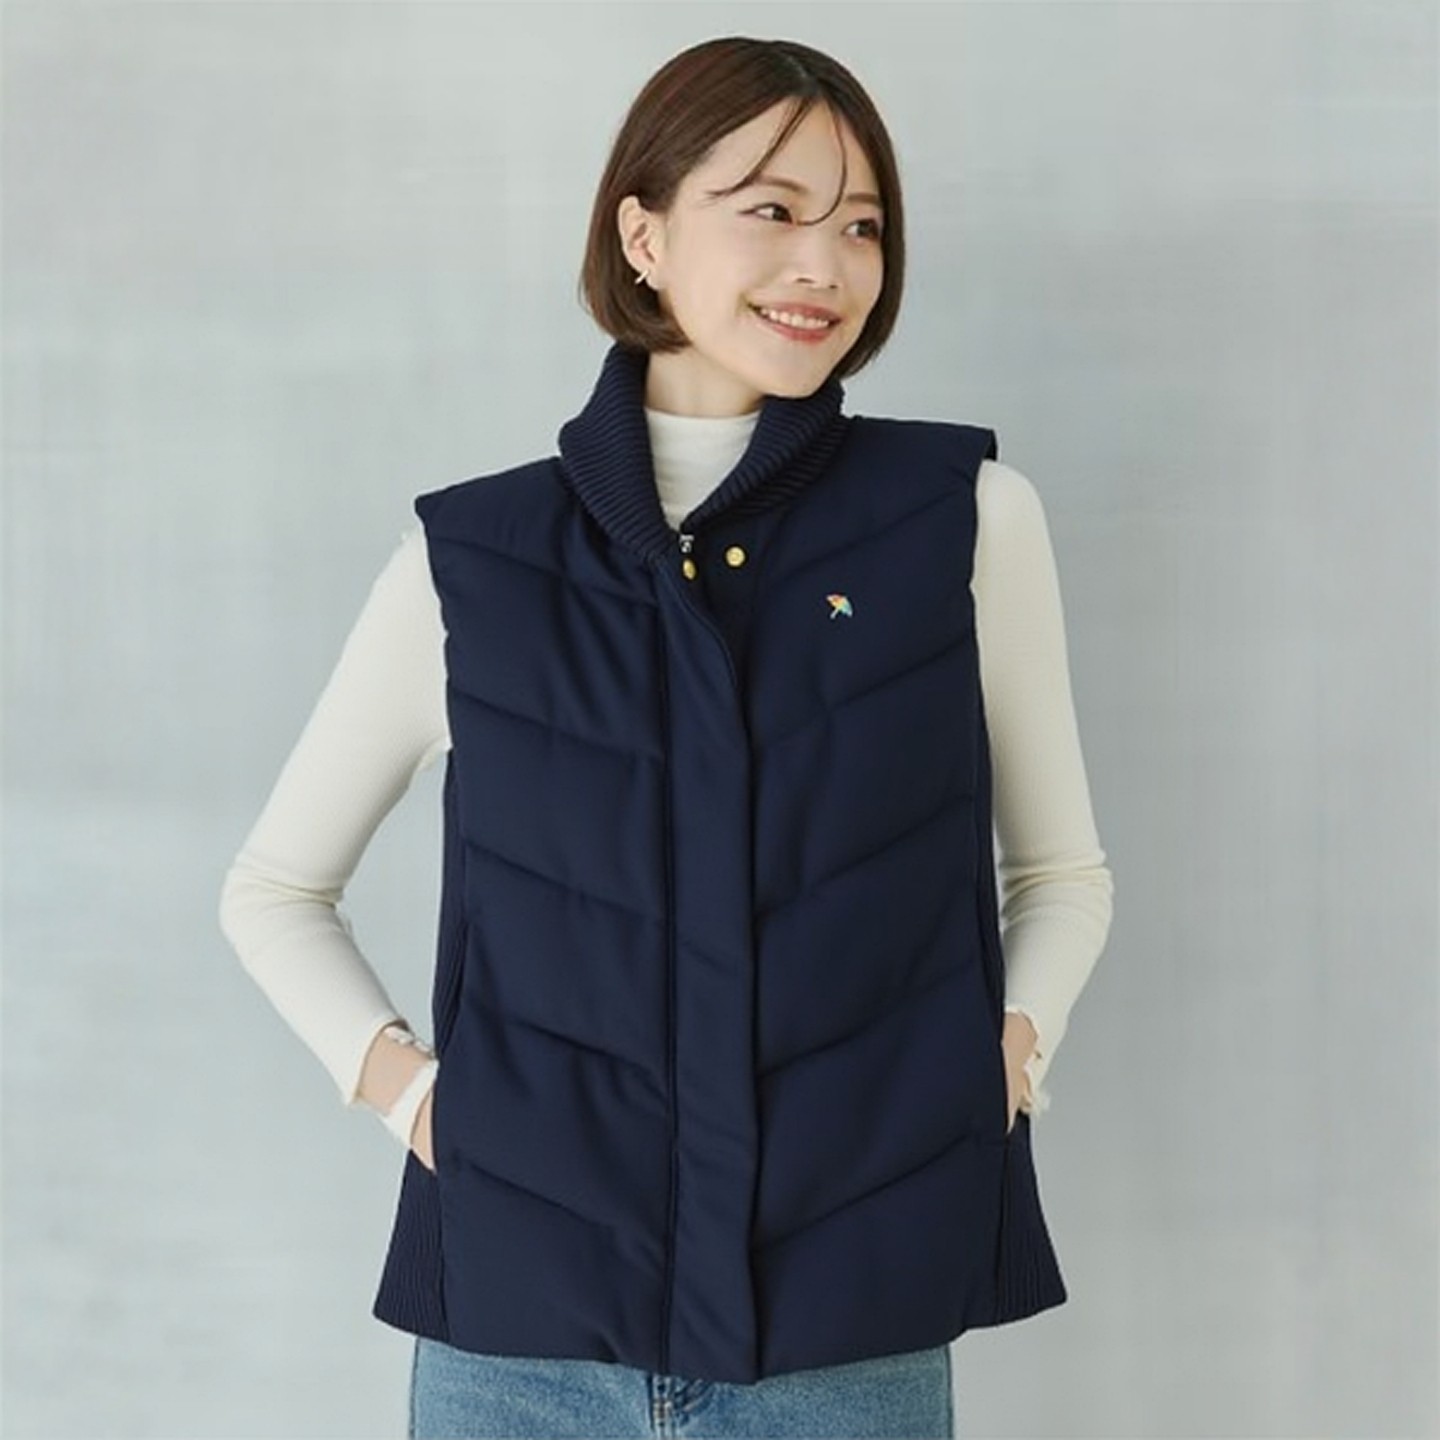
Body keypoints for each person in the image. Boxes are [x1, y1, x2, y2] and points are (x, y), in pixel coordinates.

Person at [219, 35, 1113, 1440]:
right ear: (644, 235)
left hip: (848, 1338)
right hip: (517, 1349)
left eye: (861, 225)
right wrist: (422, 1108)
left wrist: (999, 1064)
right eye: (772, 210)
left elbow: (1061, 875)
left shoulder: (962, 517)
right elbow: (274, 890)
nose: (825, 264)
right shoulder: (477, 560)